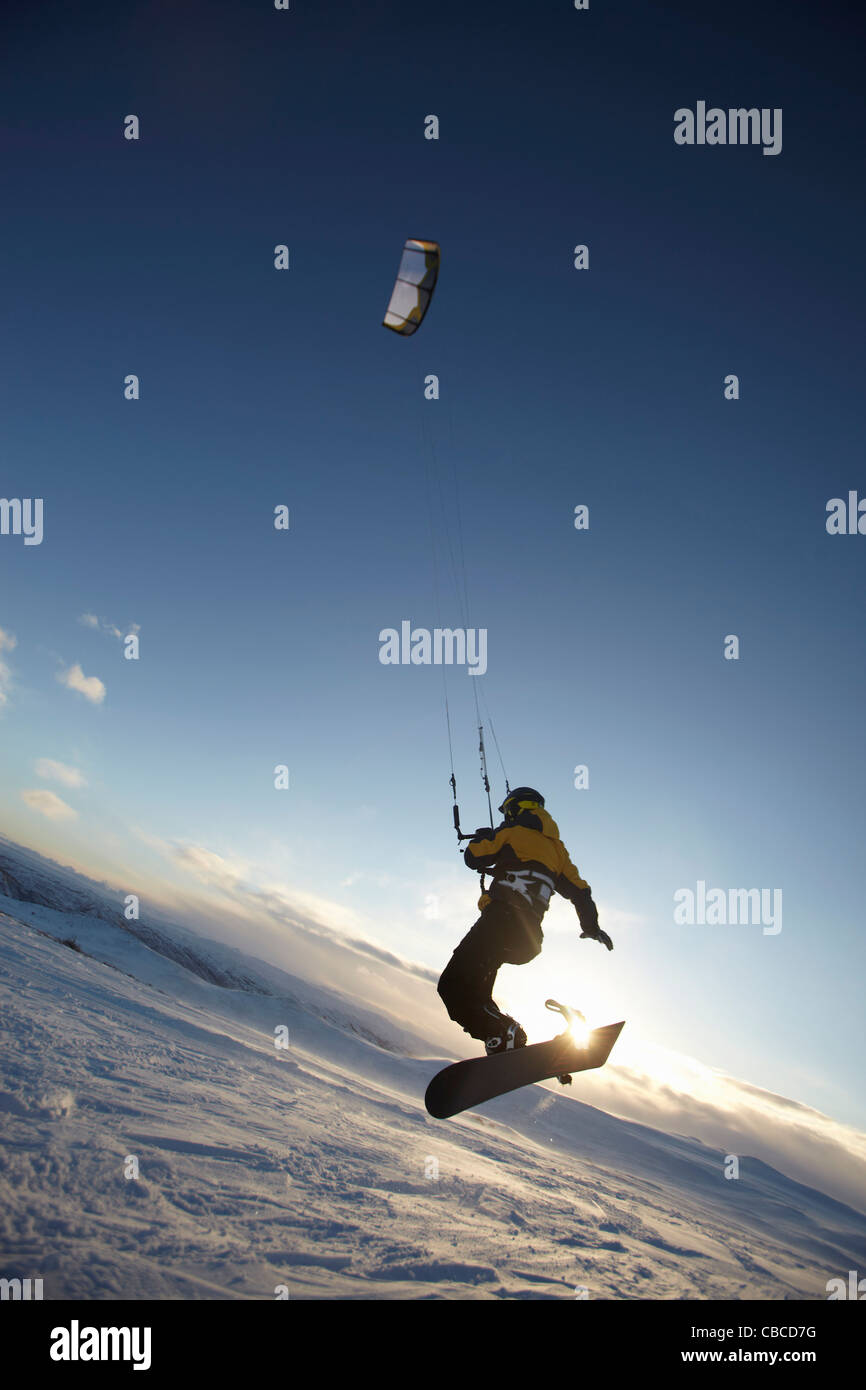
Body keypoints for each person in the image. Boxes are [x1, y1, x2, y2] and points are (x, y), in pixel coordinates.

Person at [437, 787, 613, 1054]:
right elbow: (581, 893)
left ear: (516, 808)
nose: (506, 817)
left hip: (499, 924)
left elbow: (473, 857)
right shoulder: (558, 850)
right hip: (528, 940)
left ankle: (499, 1031)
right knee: (476, 993)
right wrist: (591, 927)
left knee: (451, 986)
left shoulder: (511, 833)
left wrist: (485, 837)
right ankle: (506, 1038)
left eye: (508, 811)